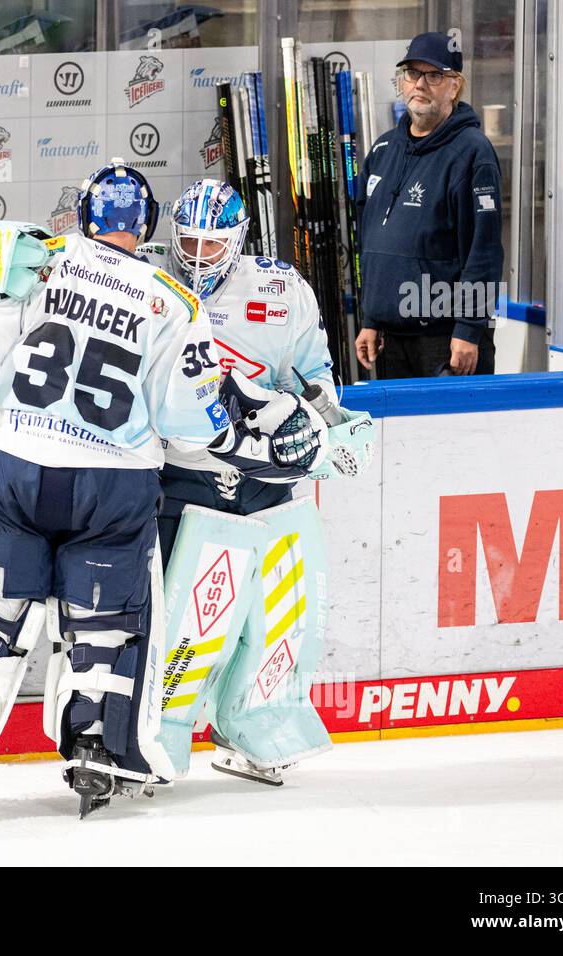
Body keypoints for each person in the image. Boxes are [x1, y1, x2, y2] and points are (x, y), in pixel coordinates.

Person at [0, 159, 325, 817]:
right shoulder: (171, 301)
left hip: (16, 465)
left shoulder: (35, 264)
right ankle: (94, 744)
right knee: (104, 624)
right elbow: (189, 426)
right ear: (151, 229)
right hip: (113, 482)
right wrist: (256, 436)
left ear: (80, 217)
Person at [145, 178, 372, 785]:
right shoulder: (152, 285)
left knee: (278, 610)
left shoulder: (281, 287)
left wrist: (325, 422)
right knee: (188, 613)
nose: (195, 256)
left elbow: (316, 376)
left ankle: (260, 720)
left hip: (269, 478)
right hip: (187, 477)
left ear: (238, 239)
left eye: (211, 246)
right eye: (186, 242)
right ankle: (159, 733)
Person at [353, 31, 504, 378]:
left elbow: (485, 251)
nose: (420, 84)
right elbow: (371, 242)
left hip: (447, 338)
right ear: (401, 82)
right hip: (392, 338)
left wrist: (469, 328)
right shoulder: (383, 150)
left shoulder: (471, 153)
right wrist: (372, 318)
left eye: (434, 75)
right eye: (412, 73)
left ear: (454, 86)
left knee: (458, 433)